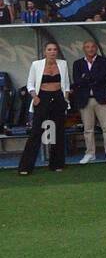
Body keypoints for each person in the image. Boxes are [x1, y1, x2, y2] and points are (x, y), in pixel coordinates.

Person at [19, 43, 70, 175]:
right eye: (49, 50)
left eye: (54, 50)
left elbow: (66, 83)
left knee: (58, 130)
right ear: (45, 51)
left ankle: (57, 164)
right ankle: (25, 167)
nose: (52, 52)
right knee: (36, 131)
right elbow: (30, 83)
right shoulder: (36, 64)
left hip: (58, 97)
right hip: (42, 97)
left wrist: (66, 98)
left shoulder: (63, 64)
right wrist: (35, 97)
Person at [72, 40, 106, 163]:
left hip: (101, 98)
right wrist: (88, 78)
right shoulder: (78, 63)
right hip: (85, 99)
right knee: (88, 129)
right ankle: (90, 153)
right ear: (84, 49)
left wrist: (86, 77)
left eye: (92, 47)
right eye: (87, 47)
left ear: (96, 48)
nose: (90, 49)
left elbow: (101, 77)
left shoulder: (104, 61)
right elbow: (77, 81)